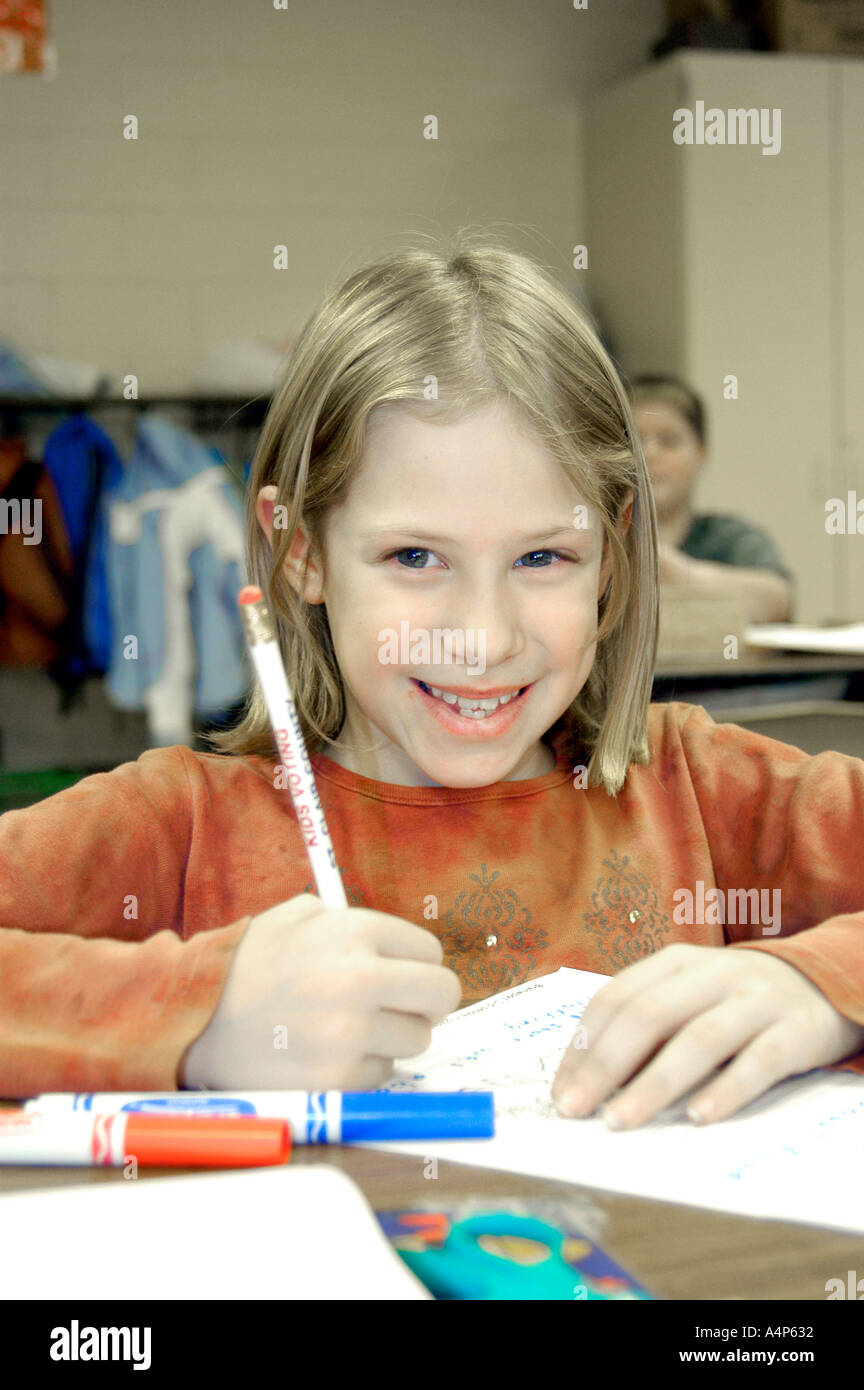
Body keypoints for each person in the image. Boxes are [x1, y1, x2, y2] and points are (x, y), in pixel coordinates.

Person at [1, 235, 863, 1133]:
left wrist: (815, 988)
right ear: (301, 550)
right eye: (414, 556)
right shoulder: (181, 828)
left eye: (543, 556)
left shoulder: (703, 788)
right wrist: (198, 1018)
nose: (483, 639)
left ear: (609, 555)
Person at [629, 374, 794, 624]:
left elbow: (778, 602)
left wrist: (676, 572)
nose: (650, 454)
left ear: (701, 455)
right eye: (635, 441)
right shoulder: (596, 539)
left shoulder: (730, 538)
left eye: (669, 441)